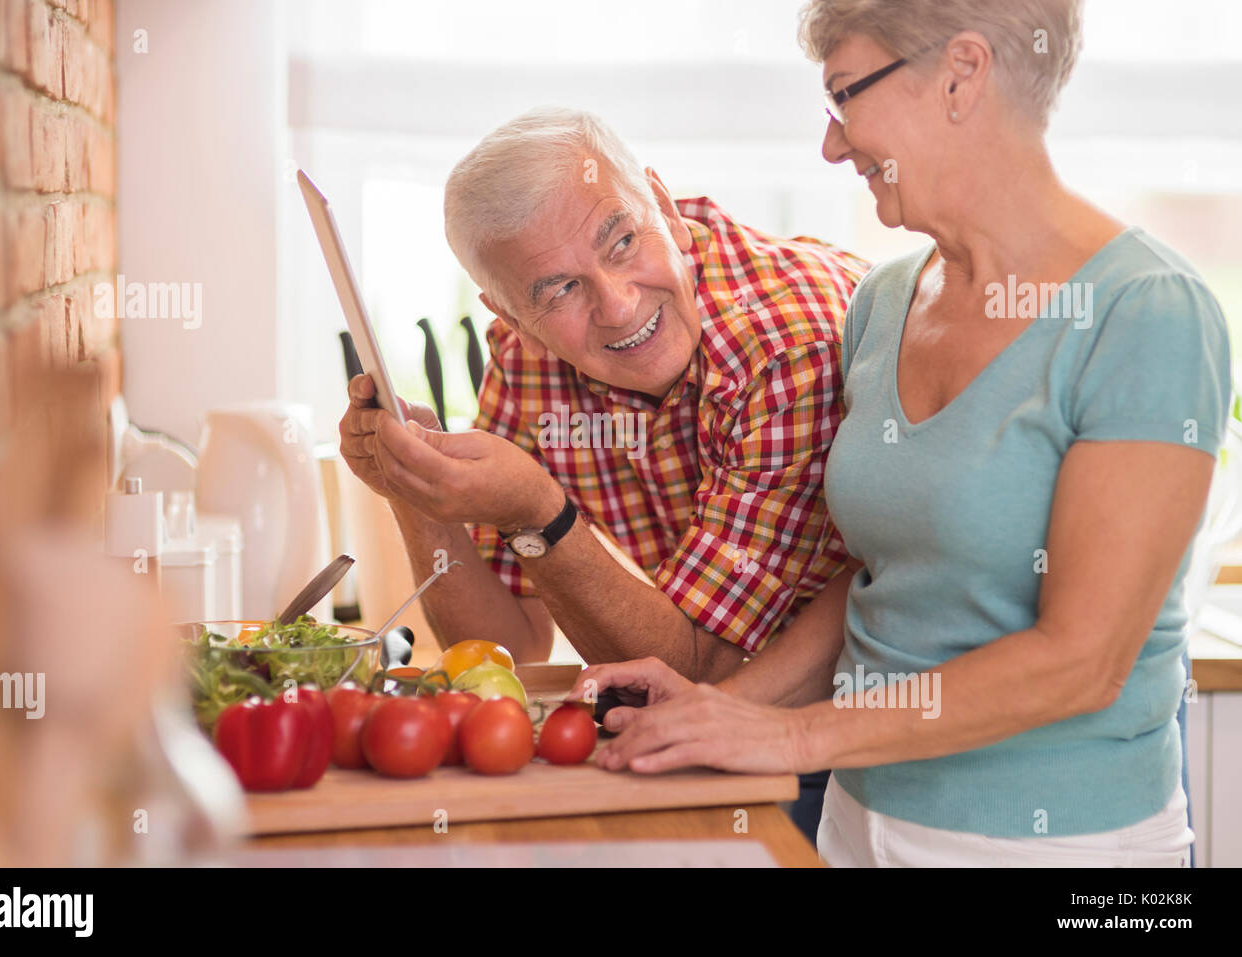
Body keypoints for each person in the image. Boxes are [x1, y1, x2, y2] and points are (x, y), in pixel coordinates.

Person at [577, 0, 1231, 867]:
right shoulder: (883, 302)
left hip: (1068, 849)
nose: (832, 145)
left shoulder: (1145, 312)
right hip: (861, 821)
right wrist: (729, 706)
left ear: (961, 73)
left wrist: (799, 739)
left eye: (845, 95)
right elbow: (883, 583)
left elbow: (1082, 662)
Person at [339, 107, 869, 836]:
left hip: (853, 730)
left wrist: (539, 513)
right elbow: (505, 644)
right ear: (511, 314)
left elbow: (703, 671)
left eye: (622, 240)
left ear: (664, 205)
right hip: (731, 720)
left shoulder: (786, 350)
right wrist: (418, 491)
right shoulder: (528, 359)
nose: (618, 304)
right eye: (558, 290)